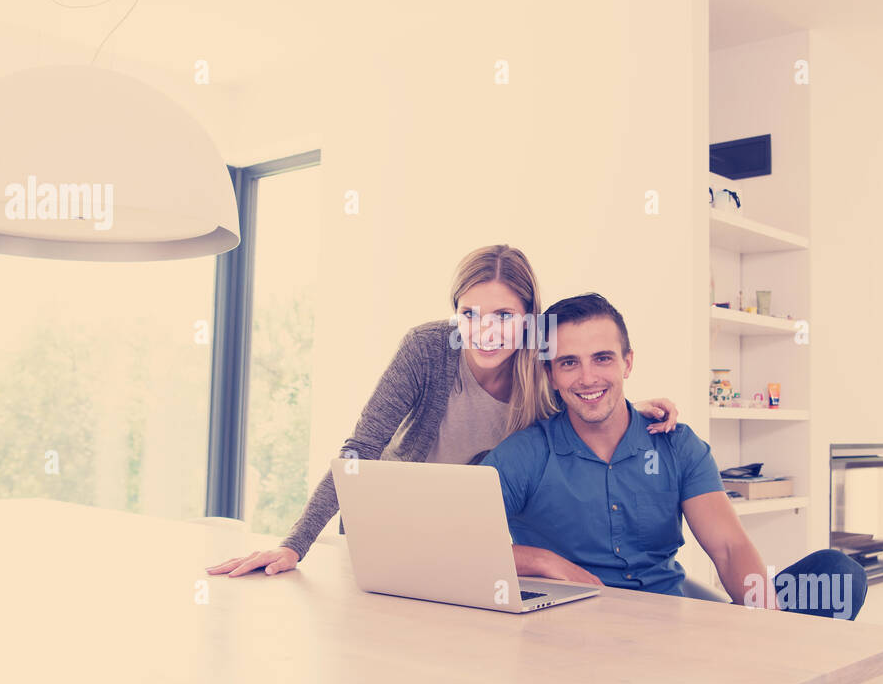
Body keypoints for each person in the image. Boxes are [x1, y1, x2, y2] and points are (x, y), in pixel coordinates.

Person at [479, 292, 868, 684]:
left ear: (628, 362)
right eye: (568, 363)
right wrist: (542, 560)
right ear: (550, 375)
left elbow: (728, 548)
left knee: (837, 571)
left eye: (602, 358)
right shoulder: (525, 455)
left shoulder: (675, 446)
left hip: (685, 642)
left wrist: (768, 637)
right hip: (589, 658)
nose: (587, 378)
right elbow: (460, 544)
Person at [207, 245, 680, 578]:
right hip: (390, 524)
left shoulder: (543, 365)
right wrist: (294, 544)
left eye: (502, 316)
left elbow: (578, 402)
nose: (483, 331)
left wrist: (622, 404)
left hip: (469, 538)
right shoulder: (428, 349)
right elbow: (360, 449)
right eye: (469, 314)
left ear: (531, 318)